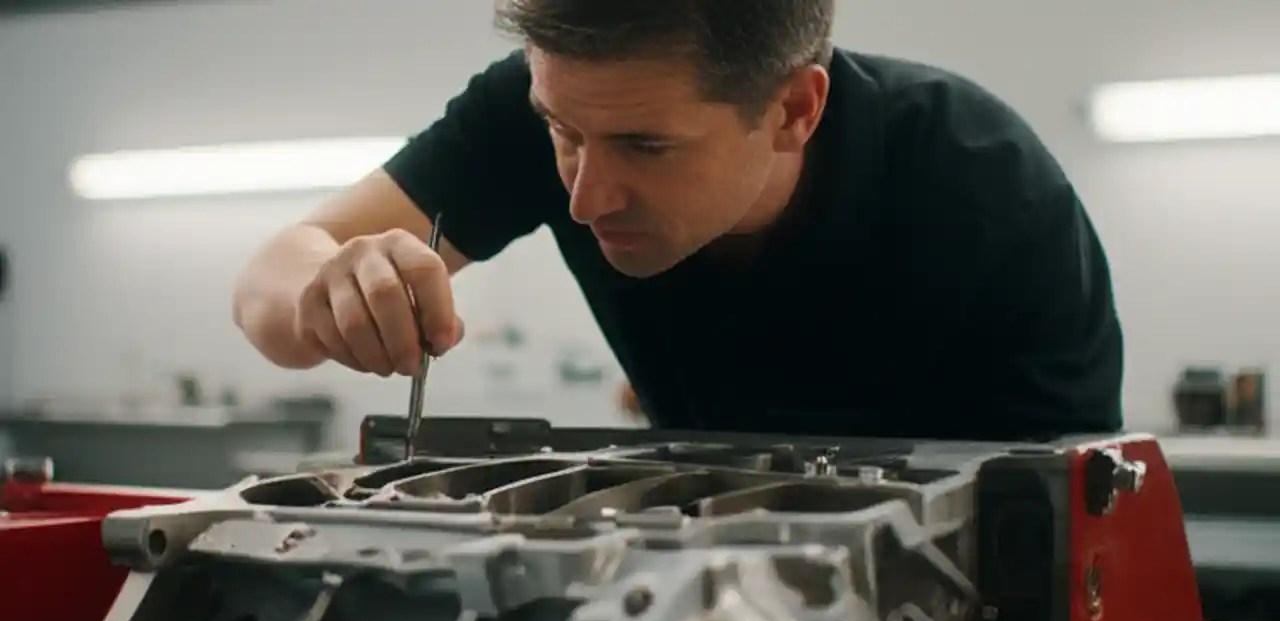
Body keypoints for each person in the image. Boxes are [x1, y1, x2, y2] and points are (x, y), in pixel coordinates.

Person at [232, 0, 1125, 441]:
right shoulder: (544, 106)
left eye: (646, 148)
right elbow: (267, 284)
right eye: (561, 132)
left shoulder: (988, 192)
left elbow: (1072, 545)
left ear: (791, 113)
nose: (582, 197)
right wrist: (327, 288)